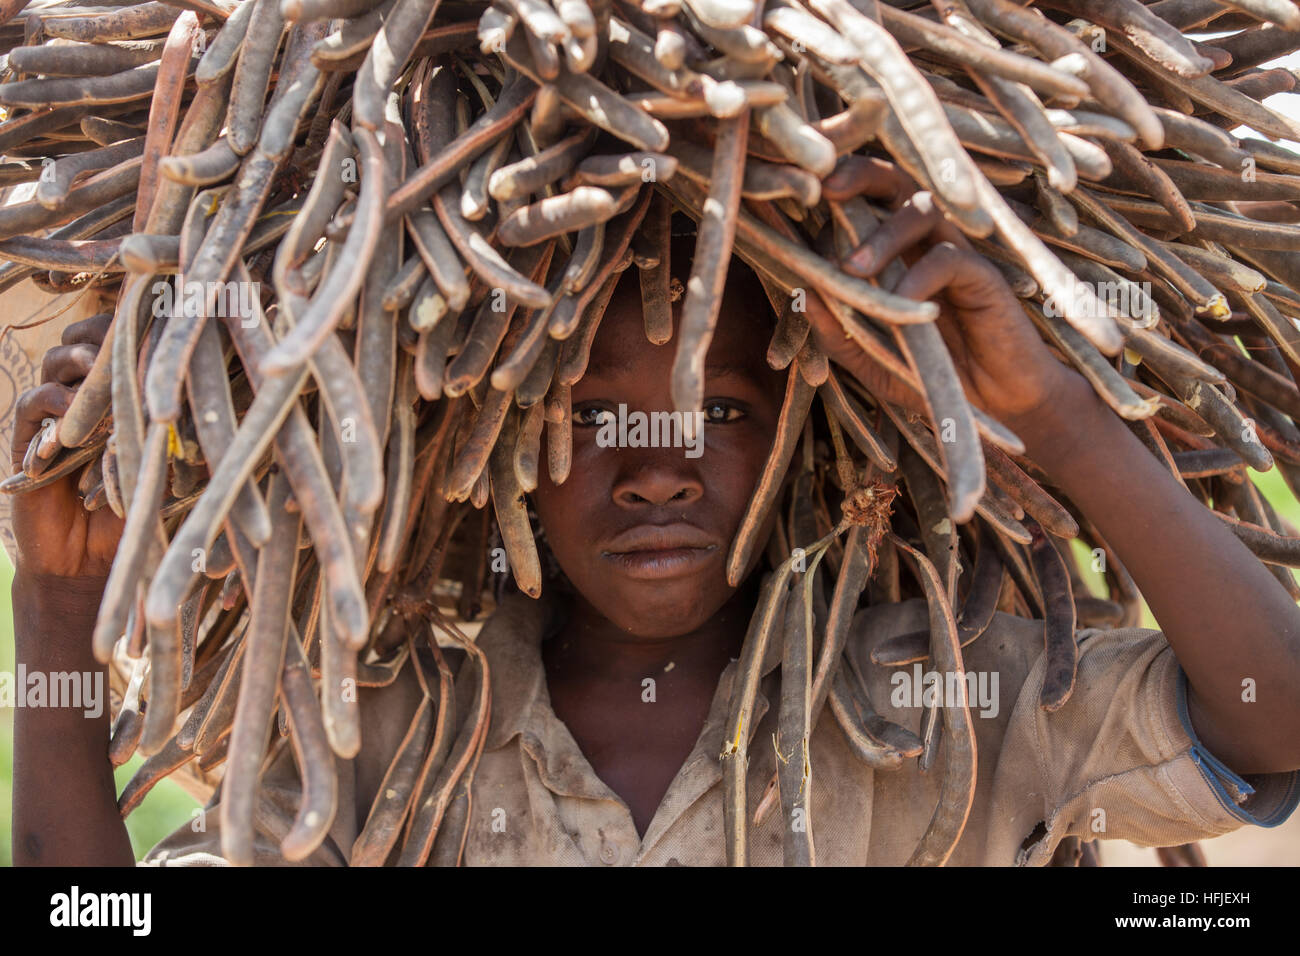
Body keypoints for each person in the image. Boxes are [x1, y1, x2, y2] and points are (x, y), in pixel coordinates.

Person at [11, 199, 1300, 866]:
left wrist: (1059, 423)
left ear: (801, 437)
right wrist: (60, 620)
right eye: (594, 415)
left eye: (720, 406)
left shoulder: (947, 701)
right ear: (500, 440)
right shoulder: (383, 735)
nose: (654, 470)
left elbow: (1272, 714)